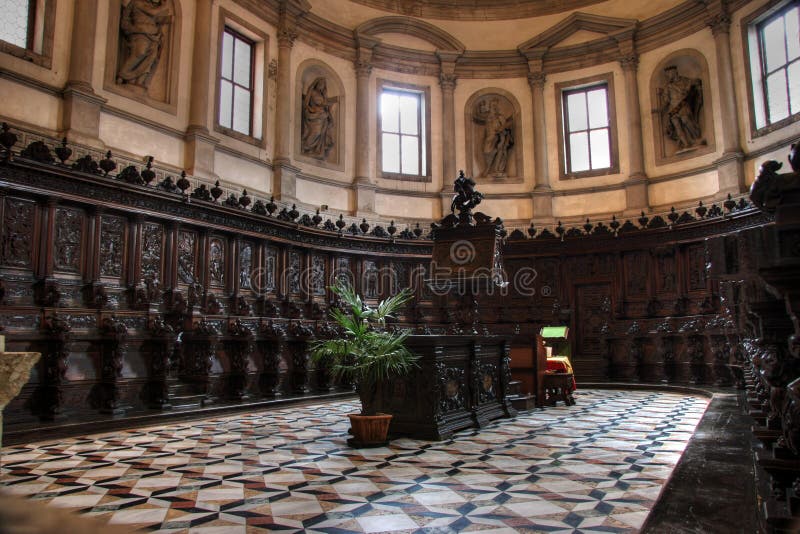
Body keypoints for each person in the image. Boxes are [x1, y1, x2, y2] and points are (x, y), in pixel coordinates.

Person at [117, 0, 173, 88]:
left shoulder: (150, 5)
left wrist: (168, 19)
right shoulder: (137, 2)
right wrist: (164, 5)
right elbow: (153, 13)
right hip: (140, 32)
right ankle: (123, 74)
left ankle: (139, 81)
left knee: (151, 57)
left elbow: (154, 18)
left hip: (153, 35)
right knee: (140, 53)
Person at [658, 66, 704, 151]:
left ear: (674, 72)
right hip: (673, 109)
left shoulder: (685, 80)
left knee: (686, 121)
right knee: (677, 127)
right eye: (667, 74)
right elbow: (666, 100)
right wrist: (660, 109)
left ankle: (696, 138)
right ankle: (686, 144)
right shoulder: (668, 87)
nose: (668, 75)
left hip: (682, 106)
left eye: (669, 73)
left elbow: (696, 81)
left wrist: (698, 88)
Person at [473, 97, 514, 177]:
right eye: (492, 105)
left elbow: (505, 127)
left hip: (498, 137)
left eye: (495, 106)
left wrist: (501, 131)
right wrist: (480, 106)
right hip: (489, 138)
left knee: (499, 151)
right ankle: (488, 168)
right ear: (490, 107)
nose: (494, 107)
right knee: (487, 152)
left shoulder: (500, 117)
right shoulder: (487, 116)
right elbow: (478, 115)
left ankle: (496, 169)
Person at [301, 77, 335, 159]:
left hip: (323, 116)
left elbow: (325, 105)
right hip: (314, 116)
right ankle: (306, 147)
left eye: (323, 85)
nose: (321, 86)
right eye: (320, 84)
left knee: (322, 133)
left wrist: (328, 108)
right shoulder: (312, 91)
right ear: (316, 84)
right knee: (316, 132)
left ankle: (318, 151)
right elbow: (306, 104)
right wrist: (311, 109)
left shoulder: (323, 95)